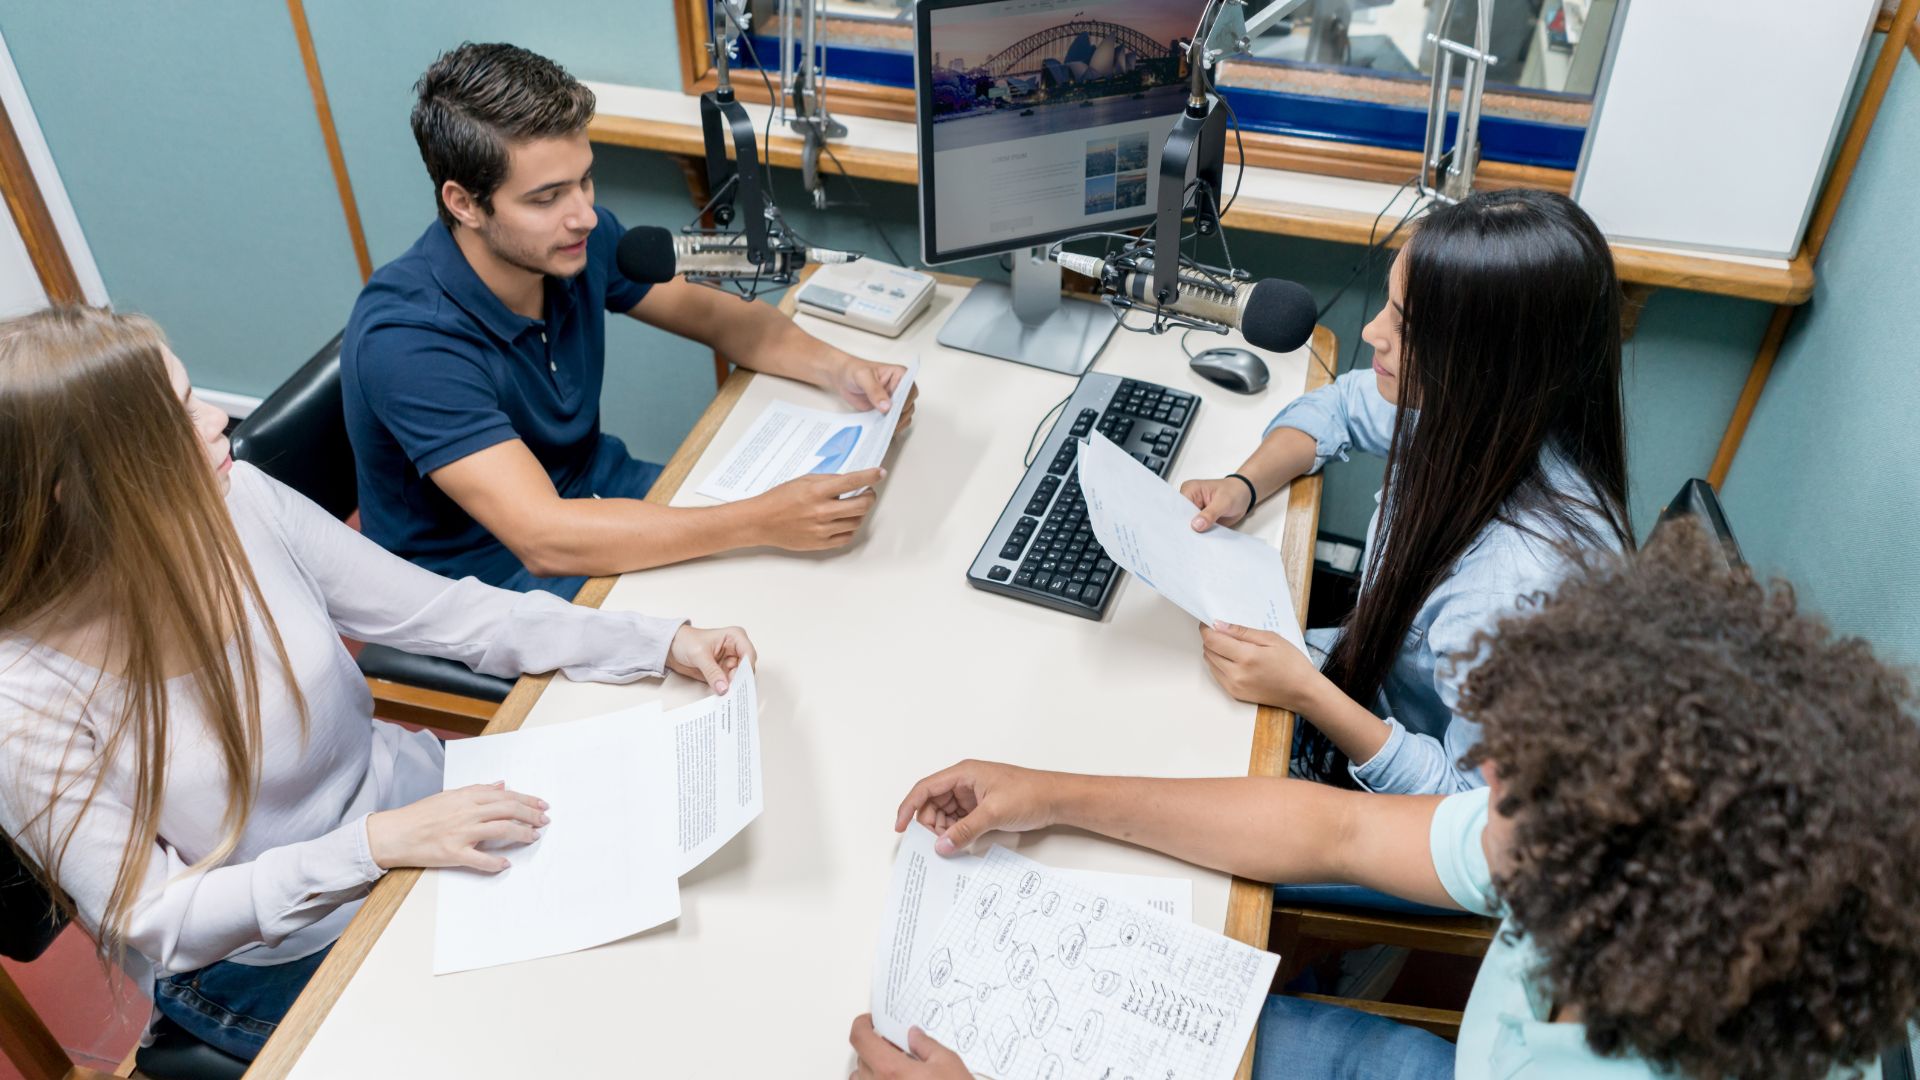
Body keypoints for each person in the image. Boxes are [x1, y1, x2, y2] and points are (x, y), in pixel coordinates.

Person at [850, 522, 1920, 1080]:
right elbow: (1344, 826)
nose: (1483, 774)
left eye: (1515, 784)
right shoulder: (1636, 861)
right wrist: (1054, 793)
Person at [0, 305, 755, 1061]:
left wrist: (655, 642)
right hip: (279, 944)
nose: (216, 421)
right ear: (81, 488)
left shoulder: (243, 503)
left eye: (194, 393)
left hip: (424, 814)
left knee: (663, 956)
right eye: (177, 419)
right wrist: (377, 846)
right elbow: (154, 918)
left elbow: (440, 612)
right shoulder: (22, 696)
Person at [343, 42, 918, 598]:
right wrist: (759, 521)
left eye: (585, 179)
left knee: (849, 567)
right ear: (464, 203)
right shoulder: (409, 340)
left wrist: (844, 370)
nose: (585, 216)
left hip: (599, 497)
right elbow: (543, 539)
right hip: (485, 582)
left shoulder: (572, 244)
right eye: (546, 198)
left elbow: (730, 325)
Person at [1183, 188, 1632, 794]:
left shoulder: (1519, 590)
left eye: (1405, 322)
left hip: (1416, 816)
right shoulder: (1467, 409)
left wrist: (1305, 693)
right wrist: (1244, 484)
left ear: (1490, 361)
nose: (1372, 332)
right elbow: (1339, 404)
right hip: (1356, 686)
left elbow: (1466, 814)